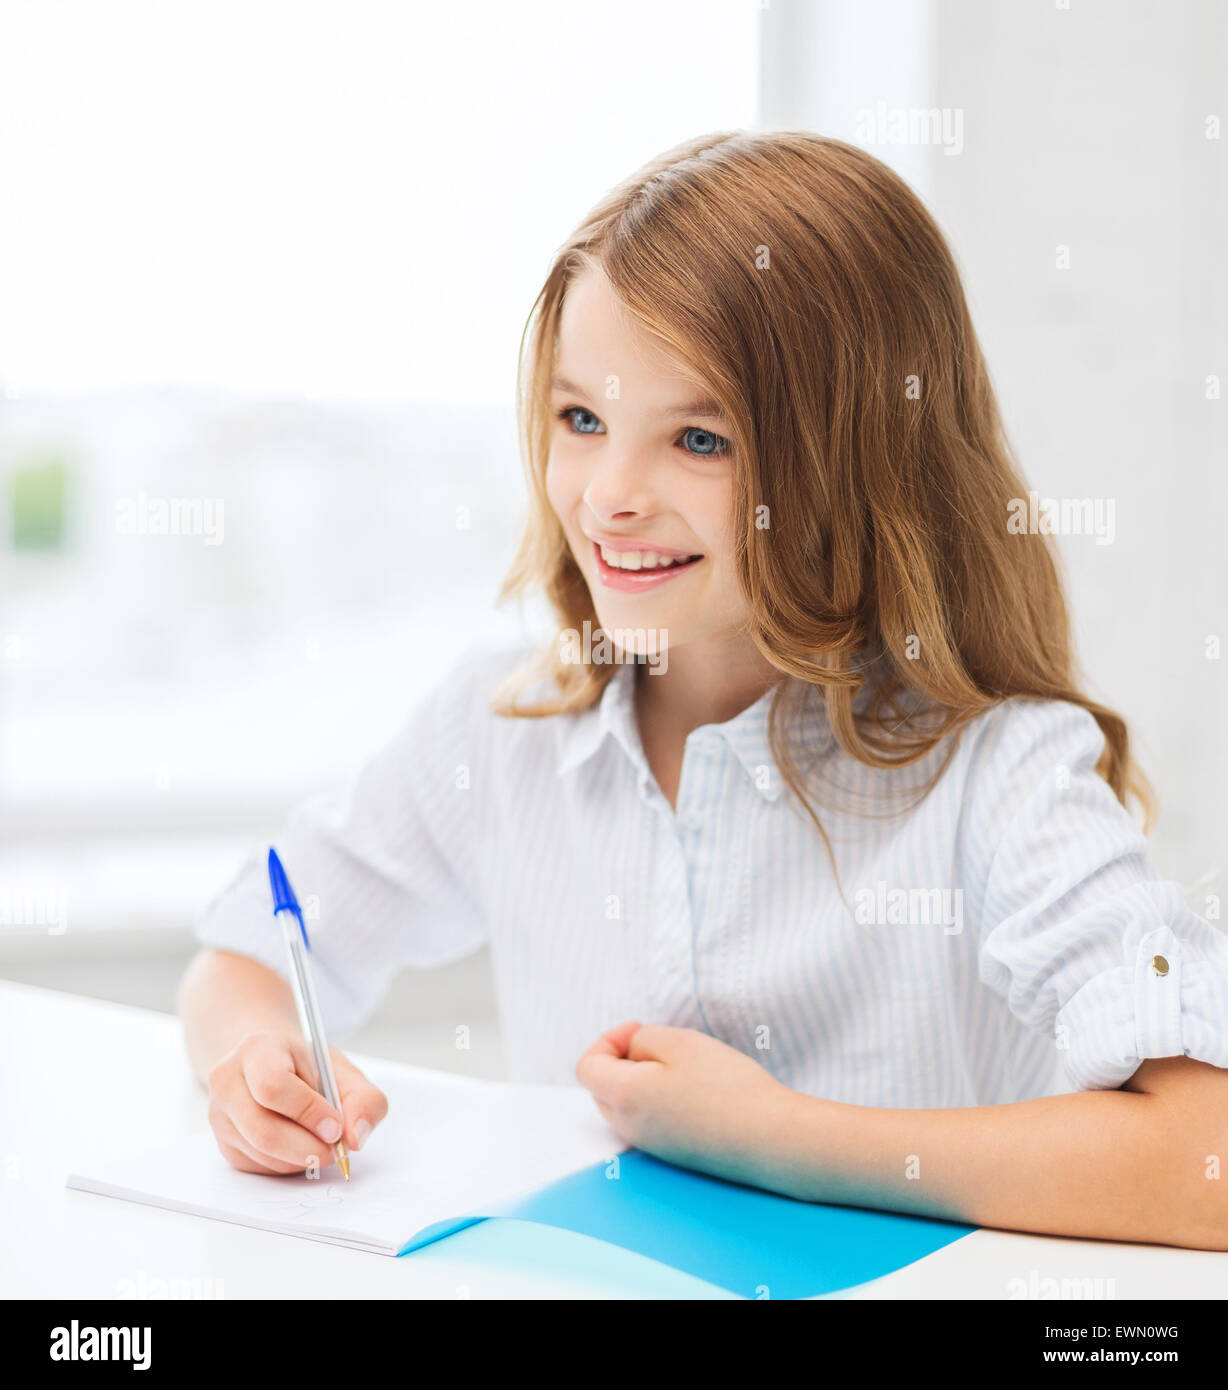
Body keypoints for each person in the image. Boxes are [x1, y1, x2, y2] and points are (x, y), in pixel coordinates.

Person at [179, 131, 1228, 1249]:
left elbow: (1203, 1153)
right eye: (581, 420)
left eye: (696, 438)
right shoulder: (502, 731)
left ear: (859, 463)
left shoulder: (997, 773)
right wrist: (251, 1065)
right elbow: (250, 948)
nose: (610, 497)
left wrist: (775, 1132)